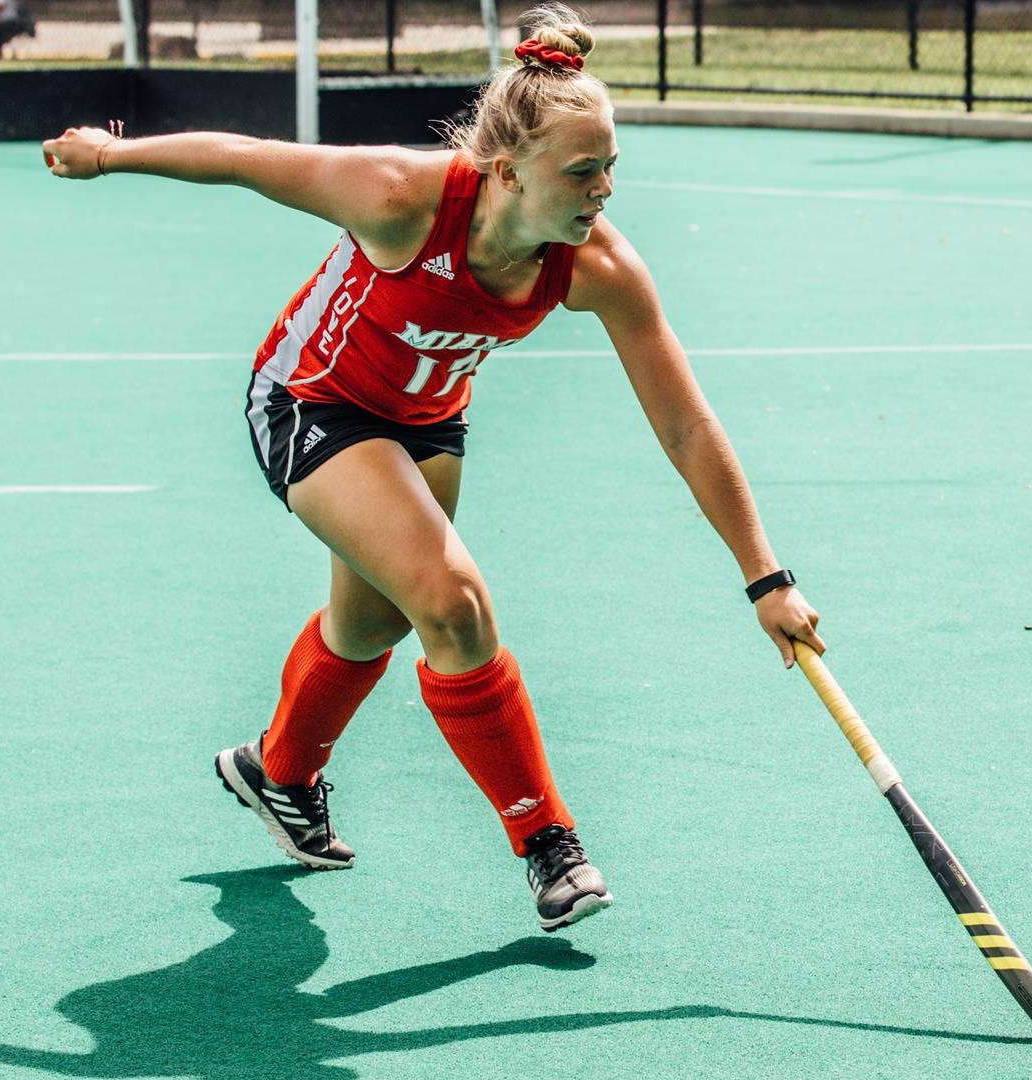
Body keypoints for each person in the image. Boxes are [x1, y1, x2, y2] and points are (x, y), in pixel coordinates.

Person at [41, 3, 823, 932]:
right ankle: (548, 841)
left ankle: (275, 771)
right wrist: (108, 154)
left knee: (371, 624)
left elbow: (685, 424)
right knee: (452, 603)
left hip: (426, 420)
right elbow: (246, 156)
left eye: (611, 164)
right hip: (311, 401)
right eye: (581, 169)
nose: (603, 189)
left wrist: (764, 576)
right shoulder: (397, 196)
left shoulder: (598, 264)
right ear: (503, 170)